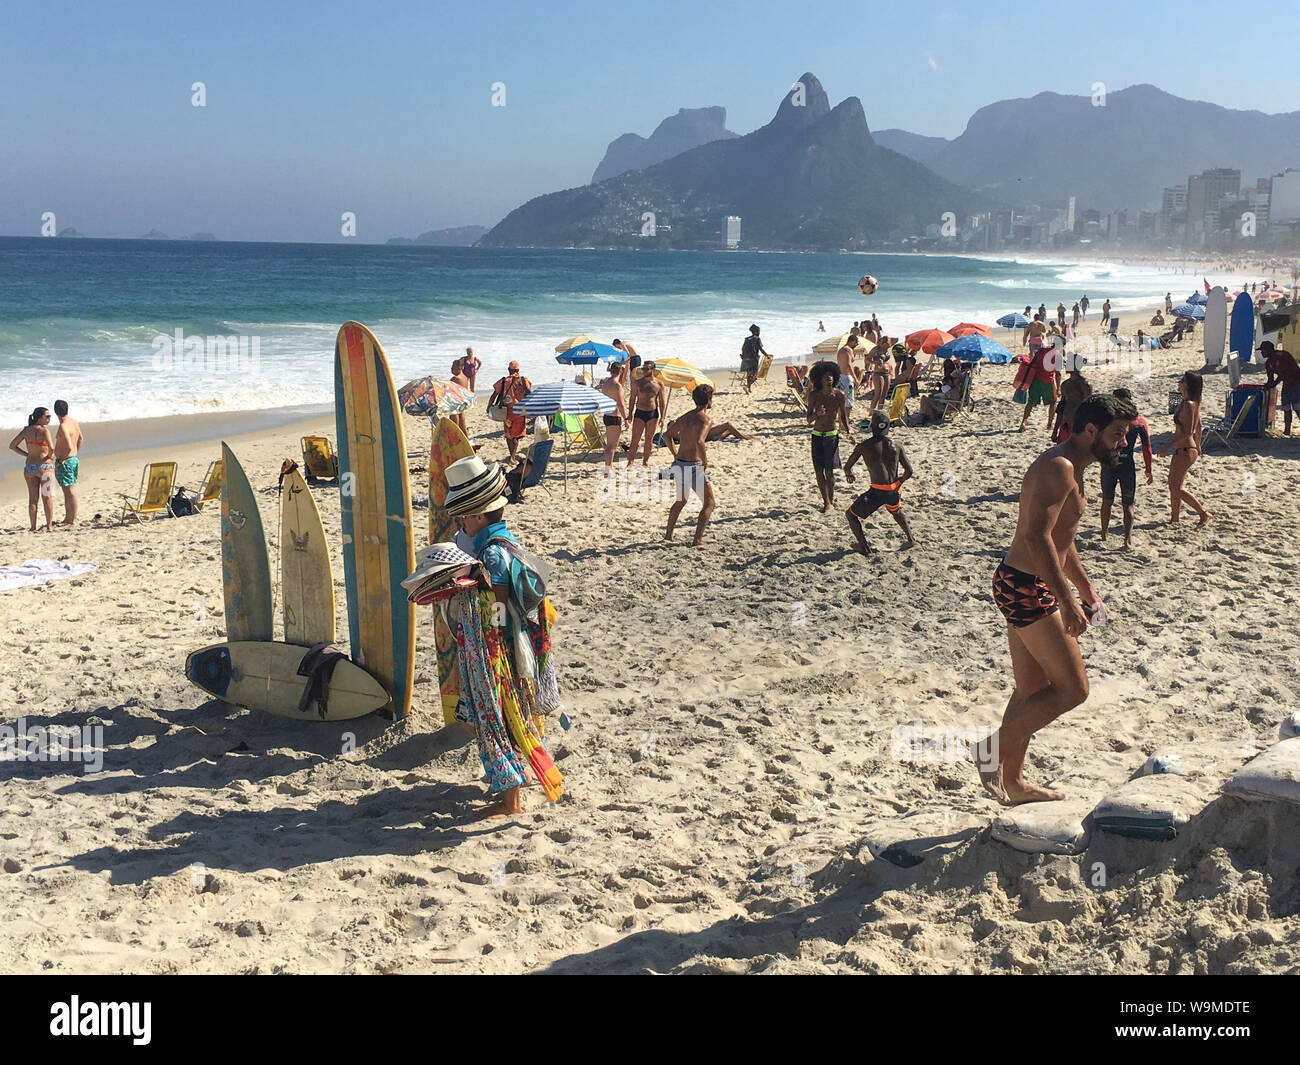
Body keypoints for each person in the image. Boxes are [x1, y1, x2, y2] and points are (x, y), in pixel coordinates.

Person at [976, 393, 1137, 805]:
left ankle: (1012, 781)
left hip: (1028, 582)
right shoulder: (1060, 467)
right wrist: (1066, 600)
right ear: (1090, 431)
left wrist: (1085, 590)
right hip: (1026, 585)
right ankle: (989, 751)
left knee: (1032, 688)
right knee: (1073, 689)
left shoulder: (1076, 468)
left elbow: (1064, 542)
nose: (1123, 443)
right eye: (1117, 435)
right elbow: (1036, 537)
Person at [843, 409, 914, 555]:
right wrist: (899, 482)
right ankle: (911, 538)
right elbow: (909, 472)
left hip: (876, 492)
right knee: (896, 511)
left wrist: (849, 474)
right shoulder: (897, 445)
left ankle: (865, 549)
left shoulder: (864, 446)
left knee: (851, 515)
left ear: (872, 427)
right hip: (893, 491)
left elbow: (847, 467)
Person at [662, 384, 716, 546]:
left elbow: (667, 435)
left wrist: (675, 454)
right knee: (709, 503)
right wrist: (705, 462)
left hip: (679, 464)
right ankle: (697, 539)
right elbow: (700, 441)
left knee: (681, 501)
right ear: (708, 400)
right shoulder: (706, 419)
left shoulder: (686, 416)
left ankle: (668, 535)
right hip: (693, 465)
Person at [1099, 387, 1152, 548]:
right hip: (1127, 465)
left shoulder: (1109, 420)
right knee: (1128, 504)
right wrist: (1148, 469)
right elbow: (1147, 447)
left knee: (1107, 500)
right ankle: (1127, 539)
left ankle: (1104, 534)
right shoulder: (1139, 422)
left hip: (1109, 464)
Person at [1157, 370, 1210, 526]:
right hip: (1186, 449)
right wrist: (1198, 445)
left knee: (1176, 488)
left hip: (1185, 450)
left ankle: (1203, 513)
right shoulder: (1190, 402)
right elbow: (1199, 427)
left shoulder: (1188, 404)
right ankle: (1174, 519)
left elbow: (1188, 432)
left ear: (1187, 385)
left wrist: (1167, 447)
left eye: (1182, 381)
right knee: (1173, 486)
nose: (1178, 383)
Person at [806, 360, 852, 513]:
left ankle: (830, 501)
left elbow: (843, 418)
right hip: (817, 435)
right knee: (819, 471)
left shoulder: (839, 395)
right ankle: (826, 502)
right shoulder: (814, 395)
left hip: (832, 436)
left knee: (829, 472)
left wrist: (848, 432)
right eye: (825, 376)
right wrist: (817, 414)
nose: (829, 379)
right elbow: (808, 419)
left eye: (831, 376)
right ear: (819, 378)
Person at [10, 407, 56, 532]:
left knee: (33, 499)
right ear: (39, 417)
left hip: (30, 467)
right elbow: (51, 447)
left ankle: (33, 527)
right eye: (47, 416)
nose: (49, 418)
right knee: (47, 497)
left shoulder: (26, 430)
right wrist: (49, 455)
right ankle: (49, 526)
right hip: (45, 466)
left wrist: (27, 454)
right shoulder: (44, 431)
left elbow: (12, 445)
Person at [491, 361, 532, 463]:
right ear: (518, 370)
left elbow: (494, 394)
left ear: (509, 370)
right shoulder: (524, 380)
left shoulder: (504, 381)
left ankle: (511, 455)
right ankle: (512, 456)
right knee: (517, 436)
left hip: (507, 412)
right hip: (520, 411)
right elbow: (529, 393)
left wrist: (489, 406)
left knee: (509, 434)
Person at [1017, 330, 1058, 433]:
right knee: (1053, 402)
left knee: (1030, 402)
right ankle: (1049, 424)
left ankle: (1024, 422)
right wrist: (1059, 387)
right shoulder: (1057, 354)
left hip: (1035, 380)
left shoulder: (1040, 351)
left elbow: (1033, 363)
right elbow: (1058, 373)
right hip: (1048, 381)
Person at [625, 361, 665, 467]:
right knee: (635, 438)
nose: (644, 371)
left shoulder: (659, 384)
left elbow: (661, 401)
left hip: (653, 413)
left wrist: (662, 417)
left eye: (647, 368)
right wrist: (630, 414)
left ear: (653, 370)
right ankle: (630, 461)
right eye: (643, 368)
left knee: (649, 439)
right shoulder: (638, 383)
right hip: (640, 412)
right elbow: (632, 398)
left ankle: (645, 461)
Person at [52, 399, 83, 527]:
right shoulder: (73, 422)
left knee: (69, 490)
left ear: (55, 412)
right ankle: (68, 517)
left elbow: (70, 446)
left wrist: (61, 460)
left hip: (66, 461)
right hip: (73, 459)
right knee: (68, 491)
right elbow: (80, 439)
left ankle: (72, 519)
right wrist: (74, 454)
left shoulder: (64, 425)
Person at [1261, 340, 1300, 436]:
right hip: (1286, 384)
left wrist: (1273, 384)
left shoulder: (1283, 355)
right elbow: (1270, 378)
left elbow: (1283, 374)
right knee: (1286, 407)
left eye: (1263, 350)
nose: (1262, 352)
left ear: (1270, 350)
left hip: (1297, 382)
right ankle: (1287, 430)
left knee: (1297, 407)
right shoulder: (1268, 363)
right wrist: (1266, 386)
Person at [596, 361, 627, 469]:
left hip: (607, 415)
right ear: (620, 371)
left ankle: (610, 465)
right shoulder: (617, 386)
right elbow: (621, 404)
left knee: (611, 444)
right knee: (612, 445)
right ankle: (608, 468)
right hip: (614, 416)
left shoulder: (606, 383)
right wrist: (626, 419)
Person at [1050, 364, 1092, 443]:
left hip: (1080, 424)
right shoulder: (1065, 384)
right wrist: (1055, 430)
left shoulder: (1084, 385)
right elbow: (1061, 408)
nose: (1066, 366)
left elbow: (1088, 406)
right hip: (1066, 422)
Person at [739, 325, 767, 394]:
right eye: (759, 331)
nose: (759, 332)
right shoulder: (757, 339)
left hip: (746, 359)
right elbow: (761, 349)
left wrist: (744, 357)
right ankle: (747, 386)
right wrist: (766, 355)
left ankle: (749, 388)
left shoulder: (747, 339)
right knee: (755, 376)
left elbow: (742, 349)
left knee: (749, 374)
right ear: (756, 331)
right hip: (754, 359)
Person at [450, 359, 471, 436]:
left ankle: (456, 439)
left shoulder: (455, 378)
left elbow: (446, 389)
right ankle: (466, 439)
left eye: (453, 366)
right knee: (463, 424)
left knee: (454, 424)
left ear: (459, 368)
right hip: (462, 401)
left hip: (455, 402)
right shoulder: (464, 377)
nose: (451, 368)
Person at [835, 342, 857, 414]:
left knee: (840, 402)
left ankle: (841, 424)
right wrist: (855, 378)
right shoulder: (848, 350)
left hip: (840, 376)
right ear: (853, 341)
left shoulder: (840, 350)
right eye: (856, 344)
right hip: (846, 377)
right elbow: (848, 365)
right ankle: (845, 422)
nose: (855, 346)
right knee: (848, 403)